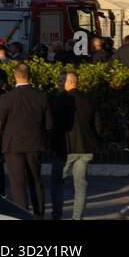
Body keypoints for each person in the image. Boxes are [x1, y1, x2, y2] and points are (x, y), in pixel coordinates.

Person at [0, 62, 51, 217]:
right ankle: (39, 213)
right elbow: (49, 124)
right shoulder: (41, 96)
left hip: (13, 144)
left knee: (18, 184)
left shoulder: (7, 97)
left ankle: (22, 214)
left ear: (15, 75)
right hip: (34, 142)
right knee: (36, 180)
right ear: (29, 75)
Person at [49, 70, 100, 220]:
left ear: (69, 82)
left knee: (57, 183)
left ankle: (56, 215)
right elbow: (98, 126)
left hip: (65, 149)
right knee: (81, 185)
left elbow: (55, 125)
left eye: (60, 81)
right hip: (85, 148)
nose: (58, 84)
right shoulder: (89, 99)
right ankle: (77, 217)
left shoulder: (60, 100)